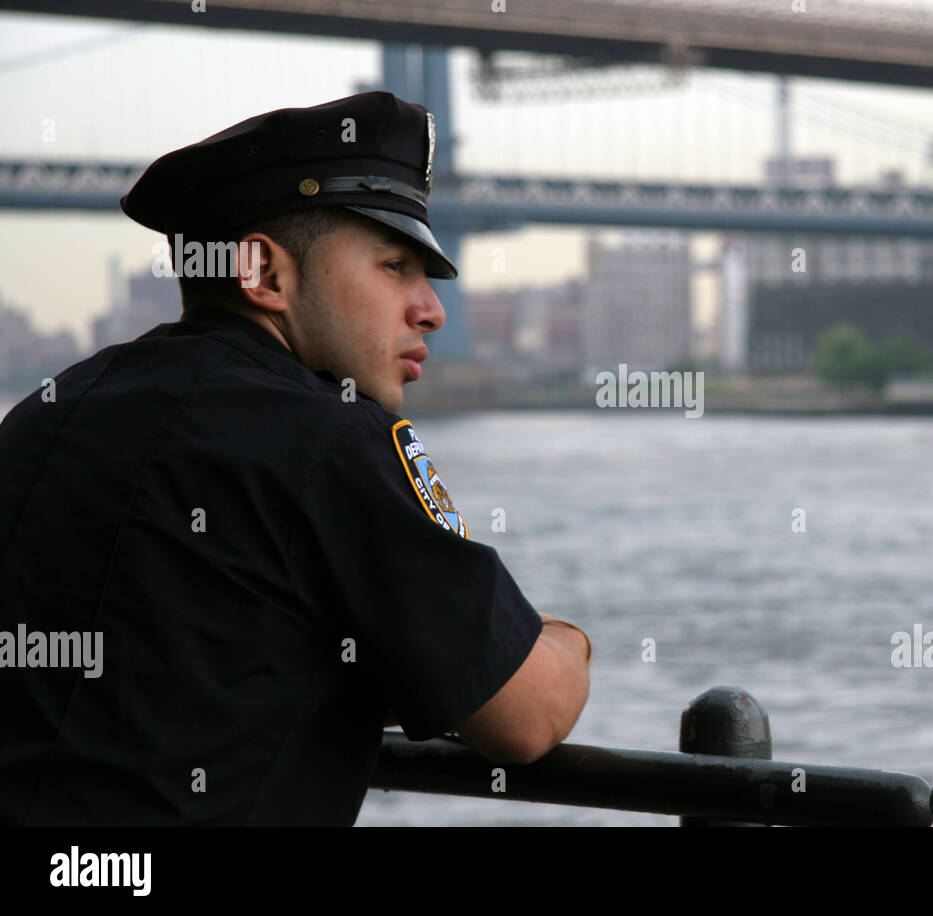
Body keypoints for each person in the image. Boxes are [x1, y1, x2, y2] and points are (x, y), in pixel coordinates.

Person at [0, 91, 591, 825]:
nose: (432, 307)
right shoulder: (328, 438)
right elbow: (525, 713)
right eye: (395, 265)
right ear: (264, 274)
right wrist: (568, 640)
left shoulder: (47, 416)